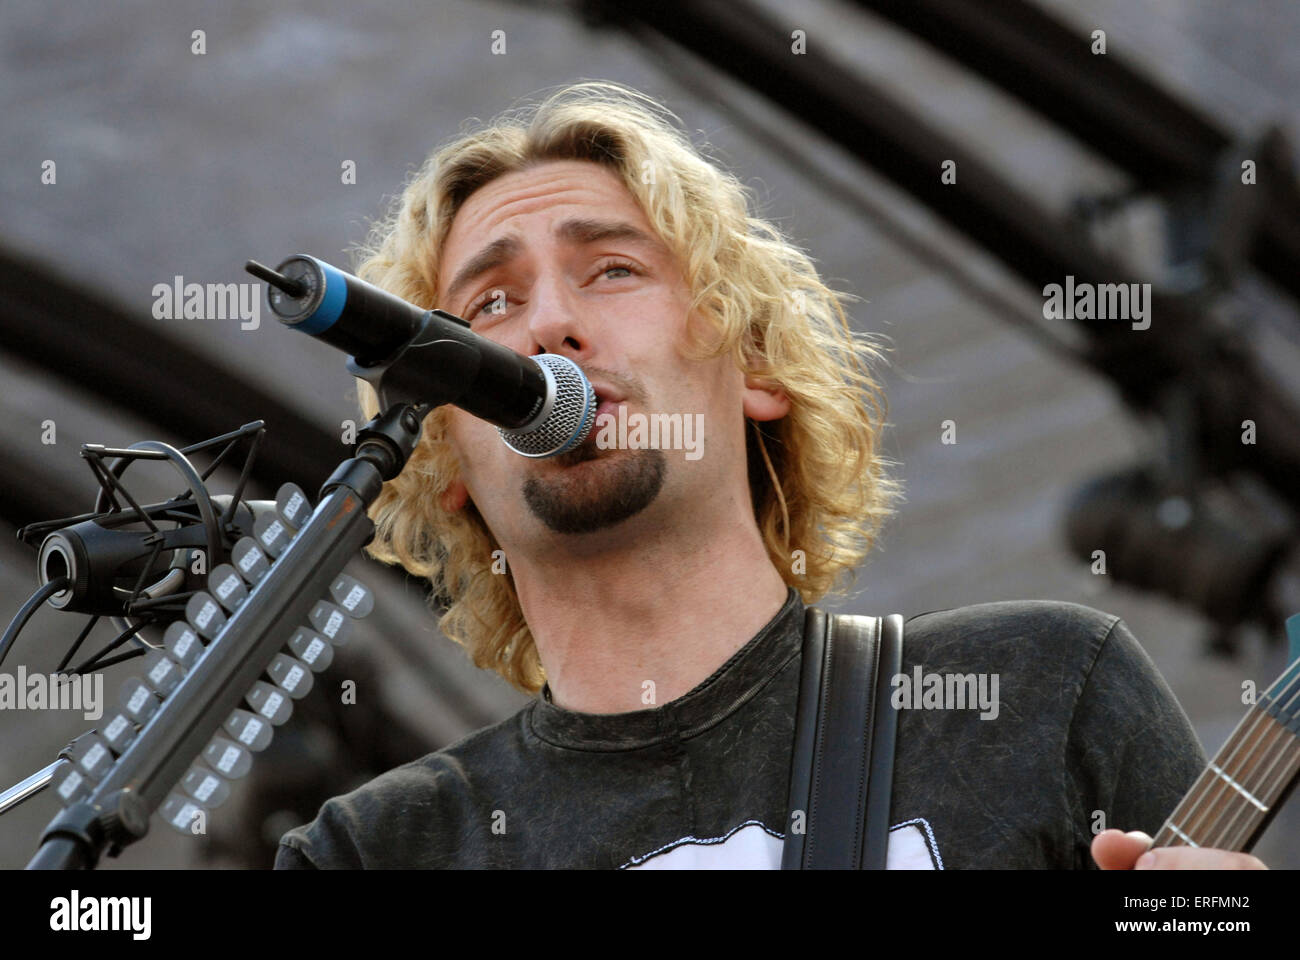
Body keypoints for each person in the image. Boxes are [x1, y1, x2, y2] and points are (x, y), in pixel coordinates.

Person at [275, 81, 1264, 870]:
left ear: (754, 368)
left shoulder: (1042, 692)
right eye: (489, 304)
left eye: (612, 270)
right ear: (444, 452)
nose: (546, 328)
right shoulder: (378, 850)